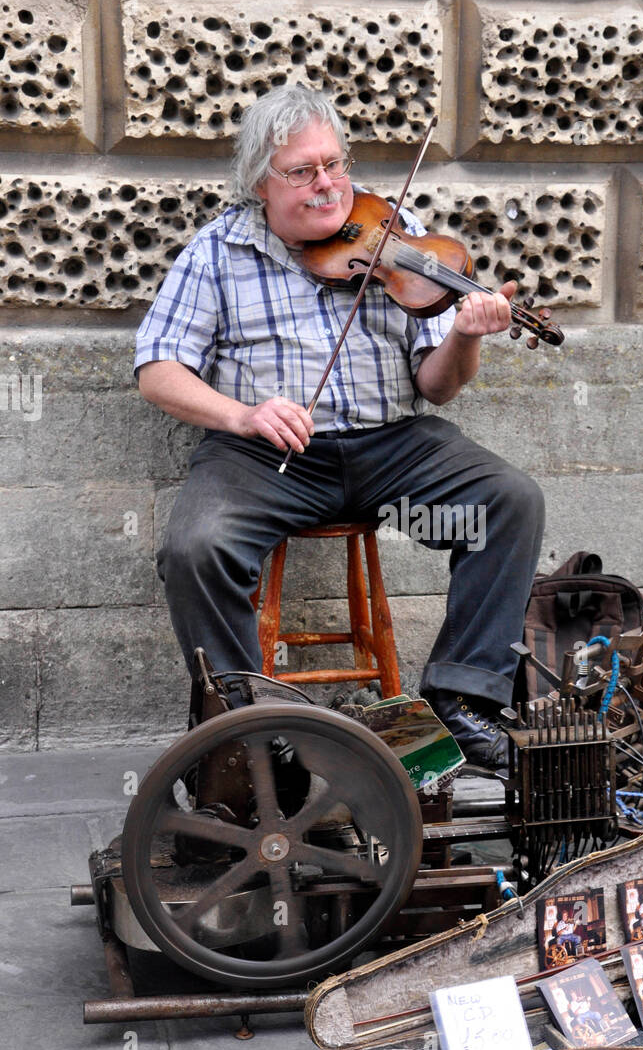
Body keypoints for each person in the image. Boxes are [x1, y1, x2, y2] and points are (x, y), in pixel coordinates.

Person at [134, 83, 545, 770]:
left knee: (508, 500)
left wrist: (466, 337)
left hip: (392, 449)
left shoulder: (393, 229)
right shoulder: (218, 251)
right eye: (301, 171)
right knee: (195, 547)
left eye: (334, 164)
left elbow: (435, 387)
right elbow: (157, 369)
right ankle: (248, 735)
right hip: (263, 458)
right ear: (260, 184)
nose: (327, 186)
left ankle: (462, 700)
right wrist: (244, 414)